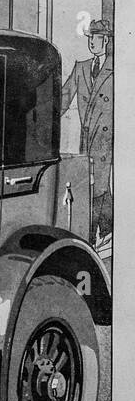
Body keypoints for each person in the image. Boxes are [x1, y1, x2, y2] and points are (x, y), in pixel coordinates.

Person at [61, 18, 114, 246]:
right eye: (90, 38)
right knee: (93, 182)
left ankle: (94, 235)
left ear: (106, 40)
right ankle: (105, 230)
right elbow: (64, 97)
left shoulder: (116, 68)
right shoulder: (81, 67)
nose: (92, 42)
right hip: (87, 139)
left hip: (106, 139)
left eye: (97, 38)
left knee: (99, 183)